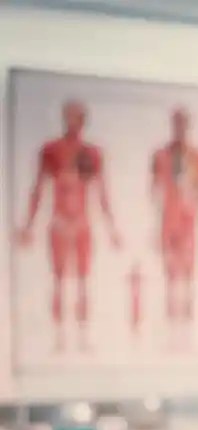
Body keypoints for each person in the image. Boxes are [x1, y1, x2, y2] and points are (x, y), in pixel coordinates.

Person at [14, 99, 122, 353]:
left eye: (77, 117)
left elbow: (102, 193)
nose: (73, 121)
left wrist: (112, 229)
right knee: (59, 281)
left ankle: (83, 336)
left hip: (82, 225)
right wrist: (28, 226)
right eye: (69, 116)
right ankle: (59, 337)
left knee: (83, 281)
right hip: (60, 224)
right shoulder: (51, 150)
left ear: (83, 120)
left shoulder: (92, 154)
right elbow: (38, 190)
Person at [150, 106, 198, 350]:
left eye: (183, 123)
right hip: (169, 223)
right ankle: (171, 332)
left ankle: (189, 333)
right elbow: (155, 194)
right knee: (171, 276)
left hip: (189, 223)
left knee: (189, 277)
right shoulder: (161, 156)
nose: (180, 127)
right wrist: (153, 228)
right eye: (176, 122)